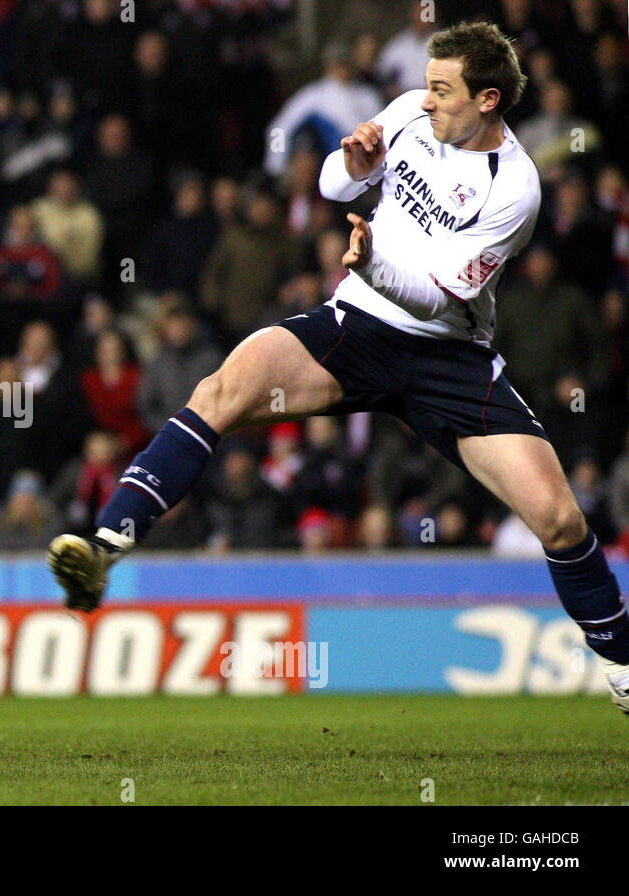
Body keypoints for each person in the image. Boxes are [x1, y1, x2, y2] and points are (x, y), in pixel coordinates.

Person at [49, 22, 629, 717]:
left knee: (559, 520)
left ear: (489, 99)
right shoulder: (414, 111)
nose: (426, 98)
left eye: (444, 90)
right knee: (222, 389)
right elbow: (332, 180)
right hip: (354, 328)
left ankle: (622, 662)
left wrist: (373, 262)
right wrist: (354, 165)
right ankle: (107, 543)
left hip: (447, 357)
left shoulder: (516, 189)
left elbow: (445, 295)